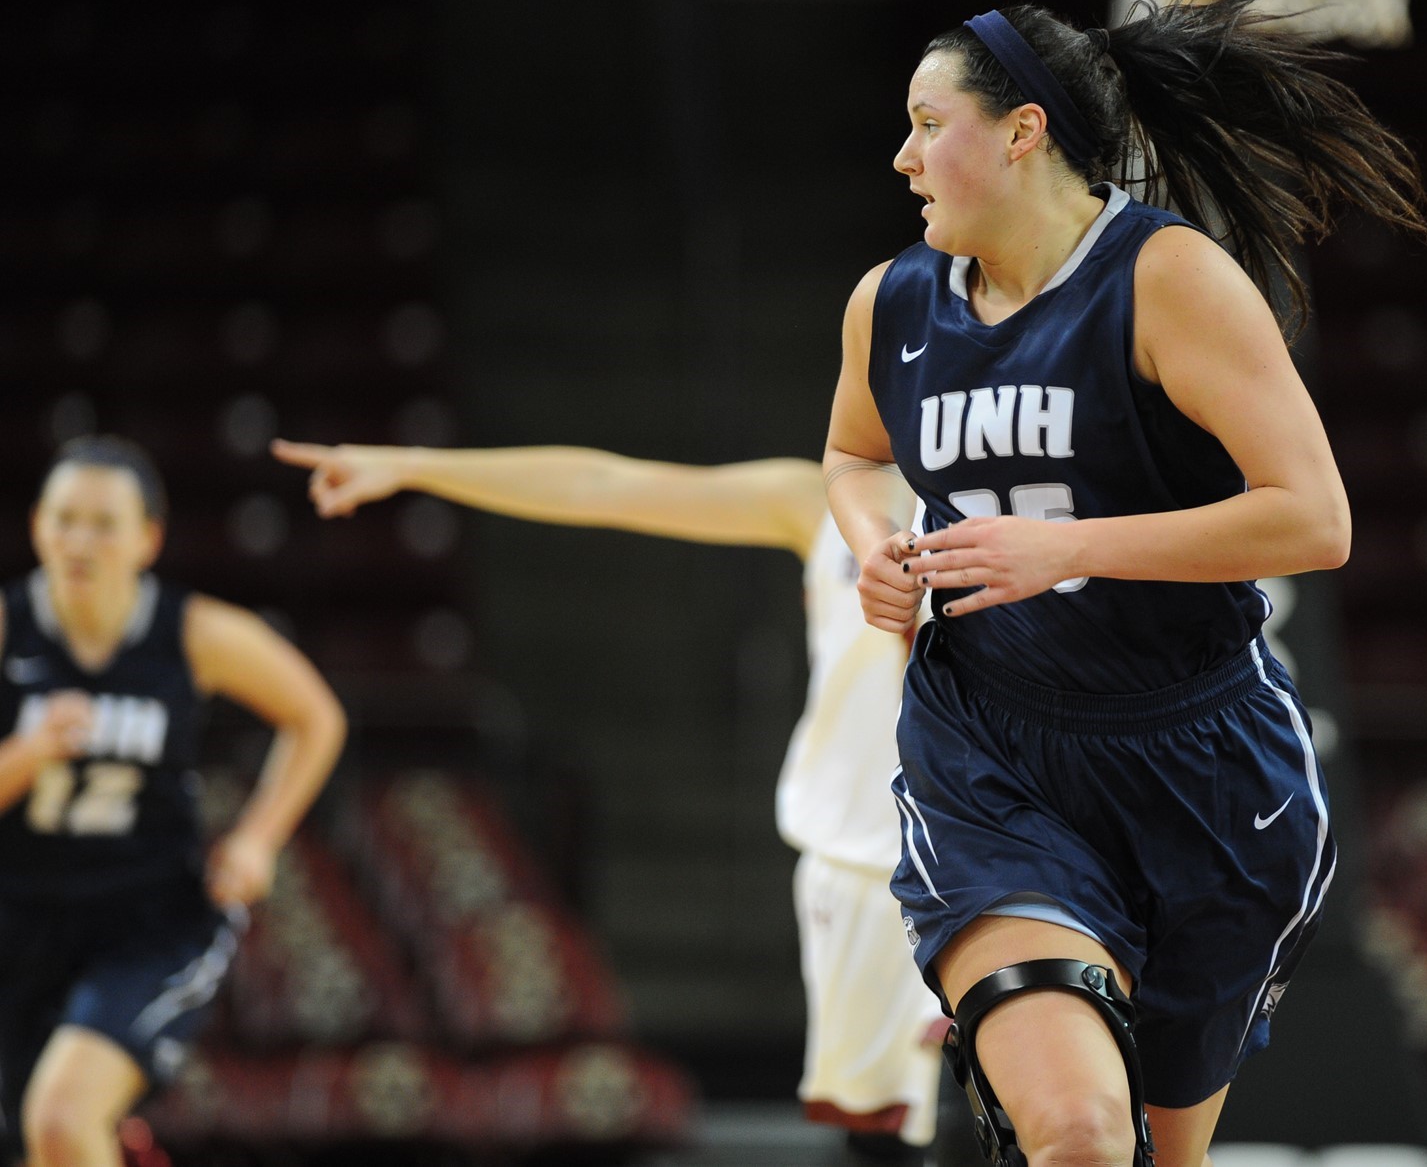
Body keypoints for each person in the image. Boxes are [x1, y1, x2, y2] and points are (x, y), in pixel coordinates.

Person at [821, 0, 1427, 1167]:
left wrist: (1073, 547)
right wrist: (873, 542)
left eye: (924, 121)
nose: (902, 158)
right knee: (1080, 1132)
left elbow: (1314, 517)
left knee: (1161, 1150)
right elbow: (852, 455)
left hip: (1201, 756)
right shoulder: (889, 302)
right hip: (990, 752)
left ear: (1021, 131)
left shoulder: (1165, 278)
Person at [267, 439, 955, 1167]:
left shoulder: (1057, 503)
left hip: (1000, 846)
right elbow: (607, 483)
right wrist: (416, 467)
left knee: (1019, 1106)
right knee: (884, 1140)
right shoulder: (825, 498)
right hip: (859, 865)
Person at [0, 436, 347, 1167]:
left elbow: (317, 717)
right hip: (22, 920)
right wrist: (23, 756)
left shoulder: (193, 633)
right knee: (45, 1142)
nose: (79, 539)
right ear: (36, 526)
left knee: (62, 1119)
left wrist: (258, 836)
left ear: (148, 538)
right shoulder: (9, 629)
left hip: (150, 919)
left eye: (102, 522)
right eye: (64, 518)